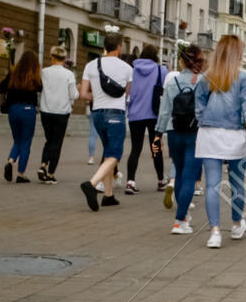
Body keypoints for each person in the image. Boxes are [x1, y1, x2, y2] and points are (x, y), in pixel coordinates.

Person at [194, 34, 246, 248]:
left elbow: (199, 105)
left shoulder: (207, 77)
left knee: (211, 185)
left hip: (209, 134)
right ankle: (236, 222)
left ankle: (214, 232)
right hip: (235, 136)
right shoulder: (243, 79)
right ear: (236, 53)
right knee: (237, 183)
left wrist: (205, 119)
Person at [78, 32, 134, 211]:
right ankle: (92, 184)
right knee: (114, 155)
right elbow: (127, 94)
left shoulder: (91, 65)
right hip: (115, 115)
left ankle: (108, 195)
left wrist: (98, 95)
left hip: (97, 115)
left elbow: (83, 95)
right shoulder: (126, 68)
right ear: (119, 47)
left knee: (108, 152)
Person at [157, 43, 205, 234]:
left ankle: (183, 217)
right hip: (195, 133)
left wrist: (158, 133)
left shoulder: (172, 82)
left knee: (178, 173)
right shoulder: (205, 82)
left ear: (182, 61)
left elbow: (164, 111)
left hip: (173, 132)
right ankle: (179, 221)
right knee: (190, 177)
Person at [125, 45, 167, 194]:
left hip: (135, 114)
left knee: (135, 149)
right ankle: (161, 180)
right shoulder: (161, 70)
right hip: (154, 115)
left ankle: (130, 182)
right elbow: (164, 89)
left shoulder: (132, 69)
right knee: (156, 148)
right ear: (155, 56)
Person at [0, 50, 43, 184]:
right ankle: (21, 173)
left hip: (13, 110)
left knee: (17, 140)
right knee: (26, 142)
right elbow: (41, 89)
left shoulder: (13, 73)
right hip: (28, 110)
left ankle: (10, 162)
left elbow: (0, 88)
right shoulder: (34, 76)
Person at [37, 45, 79, 184]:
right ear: (64, 59)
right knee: (57, 142)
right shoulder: (68, 74)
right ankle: (50, 173)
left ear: (52, 57)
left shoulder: (44, 72)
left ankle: (43, 165)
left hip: (46, 111)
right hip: (61, 112)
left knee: (49, 140)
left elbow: (39, 88)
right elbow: (74, 95)